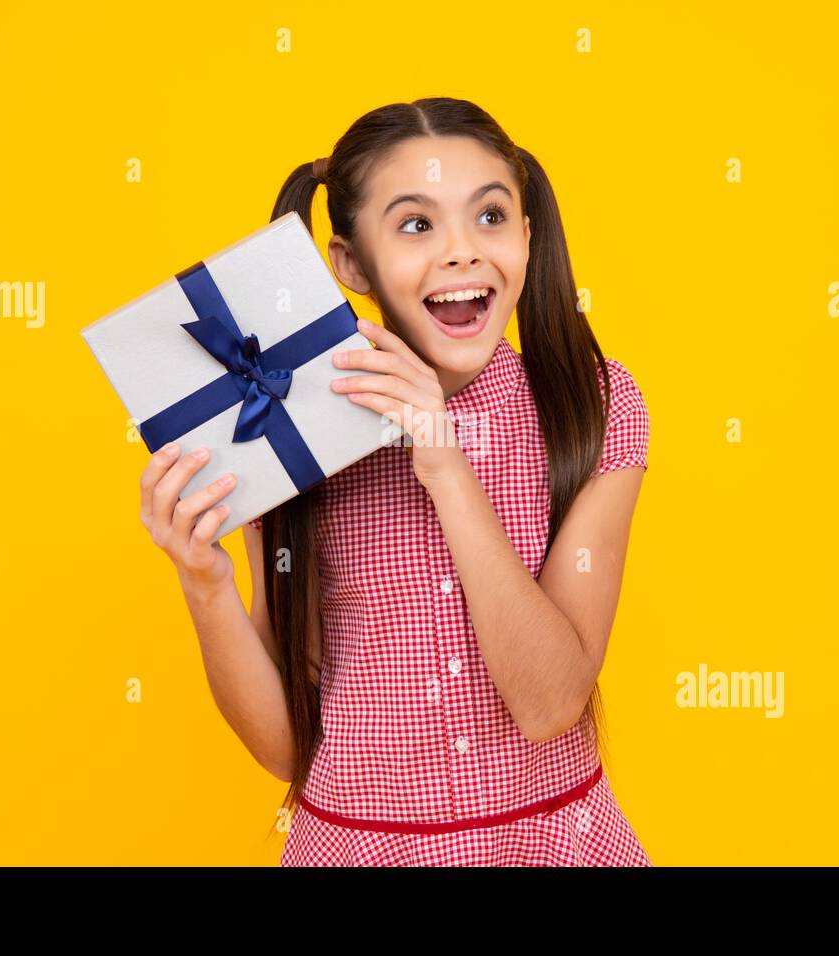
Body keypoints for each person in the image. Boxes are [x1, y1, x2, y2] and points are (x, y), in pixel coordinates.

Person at [140, 97, 651, 866]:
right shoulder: (278, 425)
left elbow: (550, 705)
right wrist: (204, 582)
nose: (460, 253)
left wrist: (445, 463)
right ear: (350, 264)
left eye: (490, 217)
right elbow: (285, 749)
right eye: (416, 225)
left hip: (554, 846)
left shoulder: (591, 405)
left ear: (527, 236)